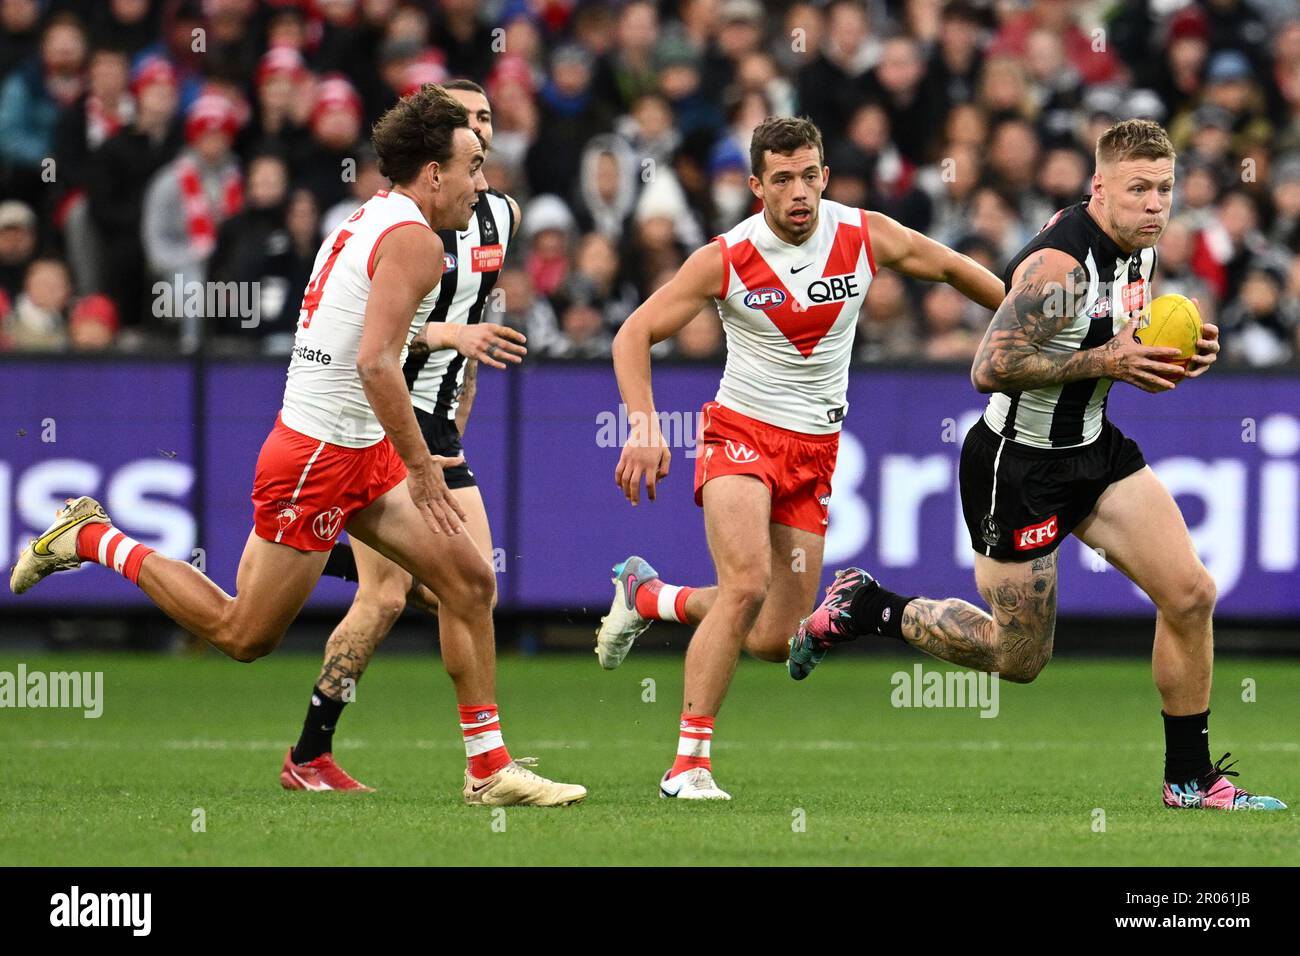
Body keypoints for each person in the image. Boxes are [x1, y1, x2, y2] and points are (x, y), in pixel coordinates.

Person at [10, 84, 585, 809]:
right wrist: (419, 465)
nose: (481, 182)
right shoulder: (414, 241)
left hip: (351, 446)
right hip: (320, 457)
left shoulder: (370, 217)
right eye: (472, 165)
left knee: (468, 584)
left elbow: (372, 341)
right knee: (243, 633)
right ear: (432, 172)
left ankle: (487, 769)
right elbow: (377, 362)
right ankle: (93, 537)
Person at [792, 119, 1285, 812]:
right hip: (1017, 467)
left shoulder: (1138, 247)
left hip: (1093, 448)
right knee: (1018, 659)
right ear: (1099, 189)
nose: (1154, 204)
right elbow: (989, 367)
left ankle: (1190, 780)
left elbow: (1117, 335)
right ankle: (868, 606)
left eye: (1165, 189)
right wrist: (1108, 360)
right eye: (1138, 189)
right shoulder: (1060, 266)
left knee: (1191, 594)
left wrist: (1178, 351)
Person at [599, 115, 1005, 800]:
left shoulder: (862, 233)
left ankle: (650, 596)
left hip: (813, 452)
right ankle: (687, 765)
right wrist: (643, 424)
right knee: (746, 583)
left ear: (824, 176)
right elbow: (633, 333)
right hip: (740, 436)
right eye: (781, 178)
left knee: (769, 635)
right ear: (757, 185)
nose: (798, 190)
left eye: (808, 175)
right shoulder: (726, 257)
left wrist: (1029, 322)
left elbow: (950, 268)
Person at [281, 79, 526, 793]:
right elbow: (374, 343)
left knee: (468, 586)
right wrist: (444, 334)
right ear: (436, 155)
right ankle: (474, 762)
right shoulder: (401, 225)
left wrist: (458, 418)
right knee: (403, 594)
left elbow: (476, 334)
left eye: (484, 119)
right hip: (384, 417)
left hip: (437, 425)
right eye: (462, 122)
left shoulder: (499, 217)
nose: (476, 131)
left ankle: (478, 758)